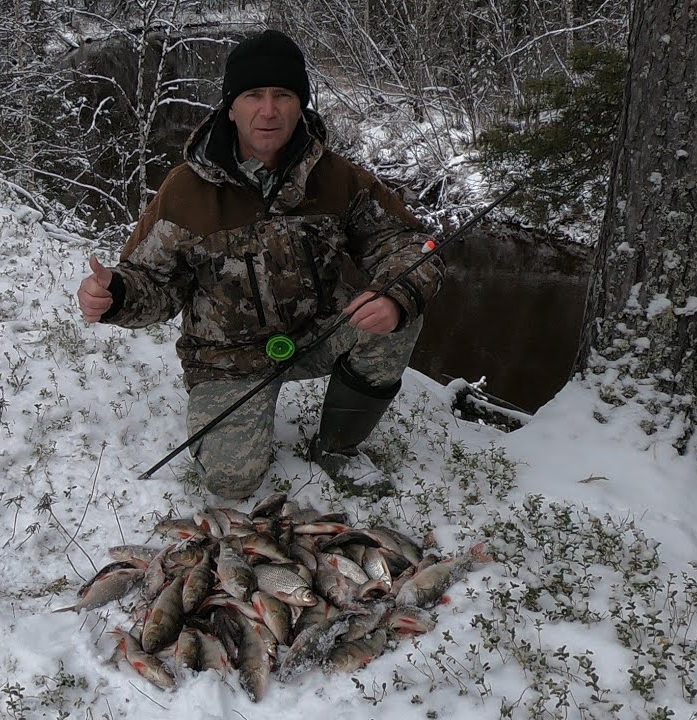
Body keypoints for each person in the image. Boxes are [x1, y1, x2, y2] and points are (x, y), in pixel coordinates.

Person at [77, 29, 443, 500]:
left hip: (317, 332)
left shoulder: (337, 178)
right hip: (226, 358)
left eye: (282, 95)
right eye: (253, 96)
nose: (268, 111)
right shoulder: (185, 190)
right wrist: (116, 295)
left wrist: (396, 295)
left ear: (300, 105)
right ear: (231, 107)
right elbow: (154, 281)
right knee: (231, 481)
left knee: (399, 313)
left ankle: (337, 448)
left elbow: (410, 243)